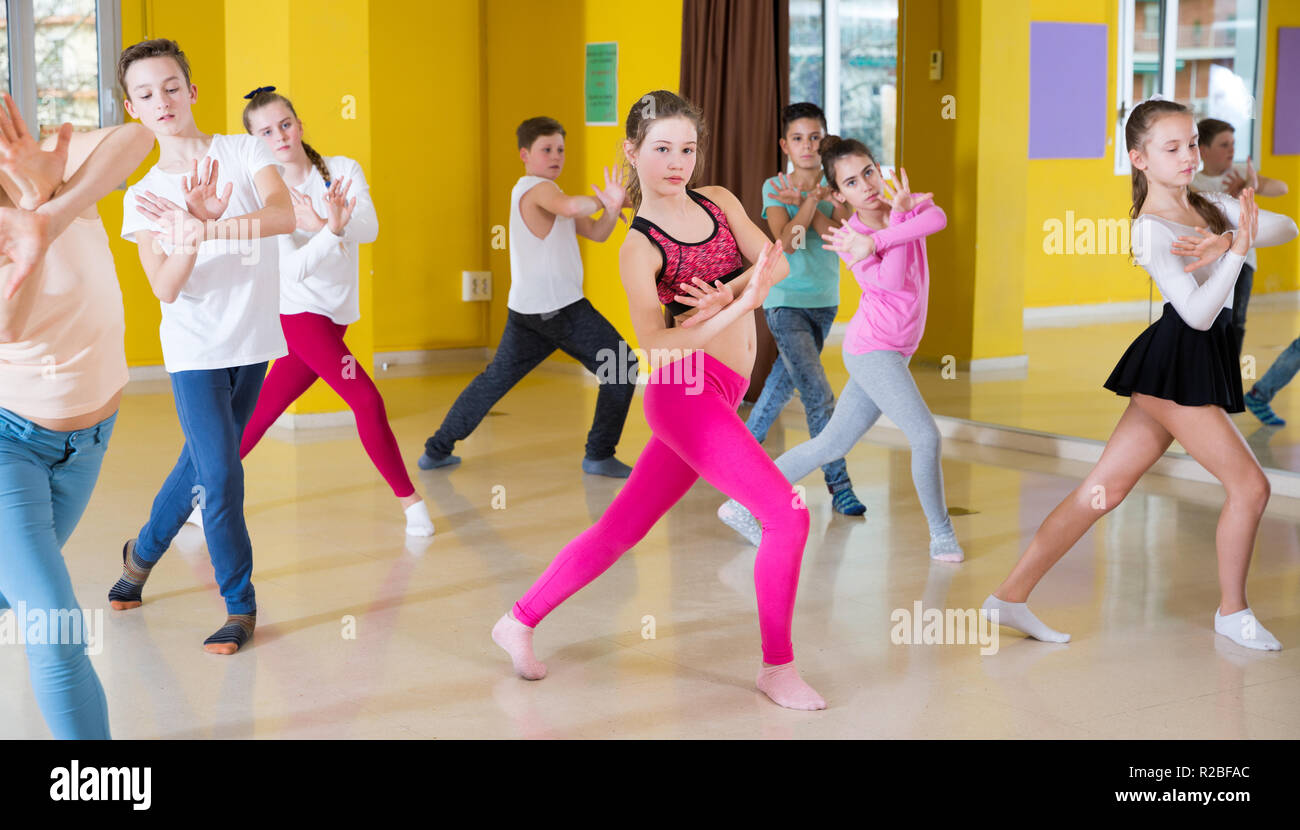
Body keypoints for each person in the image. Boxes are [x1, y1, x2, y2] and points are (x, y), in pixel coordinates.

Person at [491, 90, 827, 710]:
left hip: (722, 392)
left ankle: (518, 619)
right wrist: (741, 300)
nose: (677, 162)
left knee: (620, 528)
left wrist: (725, 298)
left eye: (688, 148)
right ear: (633, 152)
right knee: (788, 515)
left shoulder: (720, 202)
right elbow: (655, 343)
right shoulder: (639, 246)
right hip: (683, 395)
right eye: (662, 149)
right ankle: (777, 668)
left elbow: (774, 266)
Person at [984, 99, 1297, 651]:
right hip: (1179, 359)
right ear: (1140, 158)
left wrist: (1227, 238)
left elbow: (1289, 226)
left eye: (1193, 144)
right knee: (1251, 486)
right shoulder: (1151, 229)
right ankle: (1232, 611)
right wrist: (1235, 250)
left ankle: (1008, 597)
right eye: (1171, 147)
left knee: (1101, 491)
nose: (1188, 156)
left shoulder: (1212, 203)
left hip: (1181, 364)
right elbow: (1197, 315)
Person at [107, 38, 296, 655]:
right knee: (220, 474)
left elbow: (282, 213)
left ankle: (140, 555)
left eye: (169, 87)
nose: (160, 101)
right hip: (193, 350)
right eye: (144, 94)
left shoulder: (243, 150)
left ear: (191, 91)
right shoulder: (142, 195)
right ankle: (240, 605)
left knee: (198, 463)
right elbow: (165, 286)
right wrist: (188, 228)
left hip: (253, 343)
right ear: (132, 109)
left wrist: (210, 223)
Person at [719, 137, 964, 562]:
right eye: (851, 182)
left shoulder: (901, 207)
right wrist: (876, 242)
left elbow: (938, 218)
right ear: (839, 194)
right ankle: (942, 534)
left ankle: (742, 503)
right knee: (925, 436)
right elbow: (888, 281)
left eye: (869, 172)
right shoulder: (850, 236)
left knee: (830, 444)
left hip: (896, 349)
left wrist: (898, 219)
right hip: (874, 351)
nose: (866, 186)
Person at [0, 91, 156, 737]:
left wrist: (50, 204)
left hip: (89, 443)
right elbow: (8, 327)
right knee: (55, 629)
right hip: (12, 444)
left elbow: (138, 139)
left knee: (16, 592)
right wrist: (32, 228)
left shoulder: (53, 166)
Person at [235, 86, 435, 537]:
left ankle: (197, 499)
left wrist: (329, 224)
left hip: (336, 315)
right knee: (366, 399)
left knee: (262, 411)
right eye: (266, 131)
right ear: (254, 142)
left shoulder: (341, 170)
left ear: (299, 124)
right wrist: (328, 228)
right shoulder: (267, 196)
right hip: (300, 314)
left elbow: (369, 228)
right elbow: (295, 271)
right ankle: (412, 505)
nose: (280, 136)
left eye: (285, 124)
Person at [416, 117, 637, 478]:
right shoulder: (536, 189)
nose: (555, 156)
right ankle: (599, 454)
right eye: (546, 150)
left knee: (494, 380)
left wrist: (611, 209)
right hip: (559, 310)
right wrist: (605, 198)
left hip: (530, 312)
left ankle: (436, 450)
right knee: (622, 366)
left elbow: (596, 232)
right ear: (525, 154)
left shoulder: (552, 193)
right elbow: (571, 208)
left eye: (560, 150)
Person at [745, 102, 864, 516]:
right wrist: (811, 202)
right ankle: (840, 486)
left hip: (824, 302)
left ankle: (738, 454)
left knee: (781, 384)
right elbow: (789, 241)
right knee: (818, 395)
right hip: (785, 303)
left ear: (825, 138)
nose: (807, 146)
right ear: (785, 144)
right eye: (798, 138)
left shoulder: (838, 186)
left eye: (815, 137)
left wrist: (816, 201)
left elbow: (841, 236)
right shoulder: (773, 187)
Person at [1190, 117, 1290, 359]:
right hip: (1210, 261)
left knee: (1237, 320)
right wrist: (1228, 197)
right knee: (1211, 316)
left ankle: (1230, 371)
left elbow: (1282, 188)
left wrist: (1252, 186)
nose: (1231, 149)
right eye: (1224, 144)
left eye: (1233, 144)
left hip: (1242, 261)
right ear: (1204, 150)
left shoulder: (1240, 174)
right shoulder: (1194, 182)